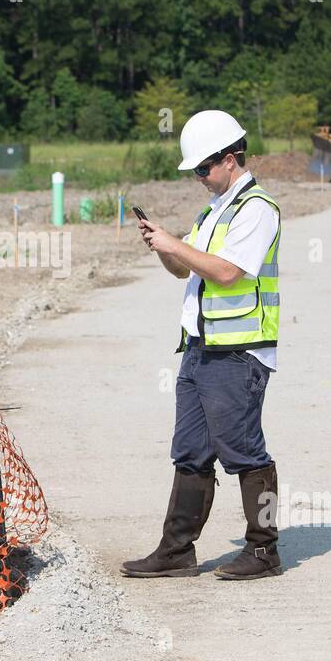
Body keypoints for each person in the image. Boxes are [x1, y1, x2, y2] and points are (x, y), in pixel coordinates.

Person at [121, 109, 282, 580]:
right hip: (198, 350)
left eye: (203, 169)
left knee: (246, 453)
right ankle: (176, 551)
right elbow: (186, 270)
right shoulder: (212, 213)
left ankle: (264, 548)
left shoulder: (256, 209)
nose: (199, 178)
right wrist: (164, 248)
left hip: (239, 352)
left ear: (230, 159)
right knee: (190, 452)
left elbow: (229, 272)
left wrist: (177, 243)